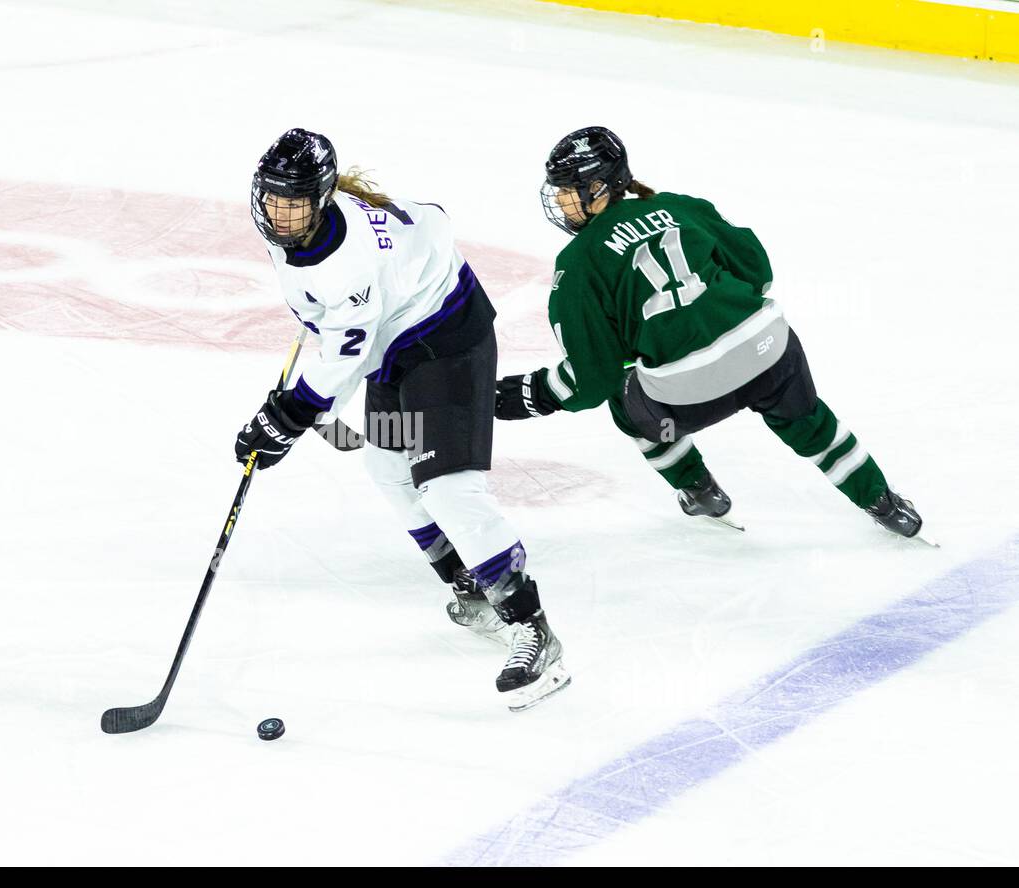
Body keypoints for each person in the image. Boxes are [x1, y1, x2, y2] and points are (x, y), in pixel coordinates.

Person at [235, 128, 570, 711]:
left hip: (447, 346)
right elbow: (340, 333)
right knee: (388, 466)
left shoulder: (351, 260)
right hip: (395, 351)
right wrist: (306, 418)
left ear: (320, 200)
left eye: (293, 202)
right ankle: (473, 588)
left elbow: (347, 351)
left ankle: (532, 629)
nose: (280, 214)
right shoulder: (297, 237)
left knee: (447, 489)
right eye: (272, 198)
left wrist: (288, 416)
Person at [495, 126, 927, 542]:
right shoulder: (681, 206)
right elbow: (757, 272)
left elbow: (593, 378)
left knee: (628, 399)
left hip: (687, 398)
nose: (561, 201)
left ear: (599, 188)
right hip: (768, 352)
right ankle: (885, 504)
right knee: (806, 420)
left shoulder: (579, 262)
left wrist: (533, 394)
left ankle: (699, 489)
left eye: (568, 189)